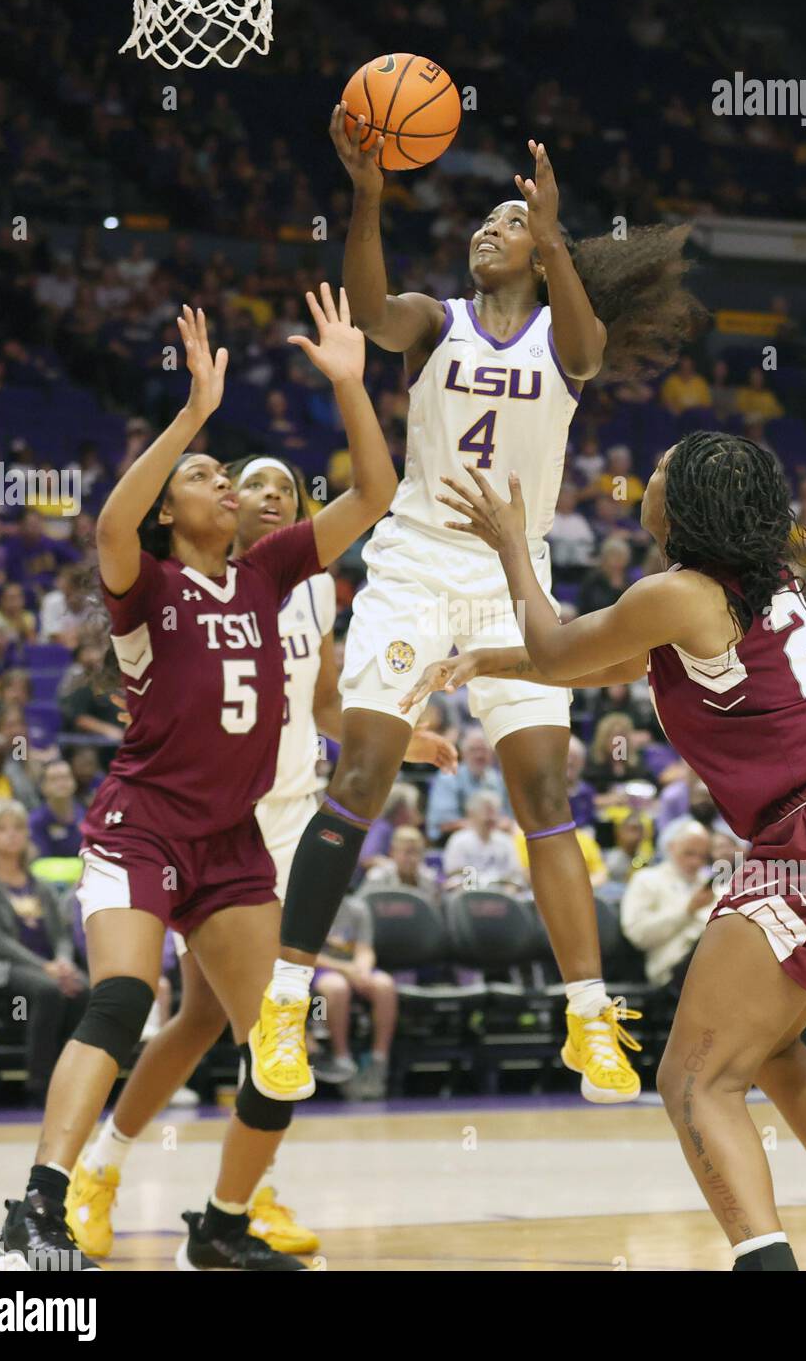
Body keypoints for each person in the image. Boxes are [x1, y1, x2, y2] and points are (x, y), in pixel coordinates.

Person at [247, 109, 702, 1111]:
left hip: (511, 573)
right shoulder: (437, 320)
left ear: (539, 255)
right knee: (363, 769)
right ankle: (283, 1002)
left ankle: (589, 1016)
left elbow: (584, 343)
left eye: (508, 223)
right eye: (484, 222)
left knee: (545, 790)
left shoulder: (561, 335)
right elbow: (370, 311)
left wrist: (551, 235)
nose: (486, 231)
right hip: (414, 562)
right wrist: (368, 196)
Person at [411, 428, 806, 1272]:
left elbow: (562, 646)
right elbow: (602, 662)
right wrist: (487, 661)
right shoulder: (756, 588)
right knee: (762, 1048)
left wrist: (514, 546)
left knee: (692, 1080)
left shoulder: (677, 590)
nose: (643, 475)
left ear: (683, 504)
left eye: (657, 470)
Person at [0, 288, 398, 1273]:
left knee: (277, 1046)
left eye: (219, 471)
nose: (220, 483)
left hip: (232, 847)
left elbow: (375, 495)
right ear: (175, 508)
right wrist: (191, 417)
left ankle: (219, 1223)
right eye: (204, 478)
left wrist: (350, 387)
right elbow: (114, 520)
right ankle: (33, 1212)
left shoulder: (270, 575)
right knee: (123, 1002)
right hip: (142, 828)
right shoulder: (147, 585)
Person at [65, 448, 454, 1261]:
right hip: (207, 820)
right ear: (227, 505)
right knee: (247, 1028)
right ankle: (189, 1195)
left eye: (287, 487)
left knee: (218, 1019)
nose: (272, 496)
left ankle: (210, 1193)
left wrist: (394, 739)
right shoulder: (207, 579)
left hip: (285, 822)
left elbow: (321, 705)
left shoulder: (308, 587)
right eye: (253, 485)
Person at [0, 799, 88, 1103]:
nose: (12, 835)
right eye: (2, 829)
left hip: (45, 968)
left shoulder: (38, 884)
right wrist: (46, 968)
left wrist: (64, 961)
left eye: (17, 828)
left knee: (83, 989)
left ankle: (71, 1079)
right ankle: (39, 1084)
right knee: (48, 990)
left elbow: (62, 935)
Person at [311, 894, 397, 1098]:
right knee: (337, 987)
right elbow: (303, 954)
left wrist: (363, 970)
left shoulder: (357, 907)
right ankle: (342, 1060)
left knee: (385, 985)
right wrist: (345, 969)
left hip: (353, 968)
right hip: (319, 969)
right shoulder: (307, 906)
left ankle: (379, 1061)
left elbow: (365, 949)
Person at [620, 818, 715, 989]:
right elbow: (638, 934)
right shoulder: (646, 880)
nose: (696, 862)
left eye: (702, 856)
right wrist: (687, 911)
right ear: (671, 847)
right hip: (671, 969)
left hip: (712, 960)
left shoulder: (711, 885)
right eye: (689, 853)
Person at [27, 758, 85, 859]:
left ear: (74, 783)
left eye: (65, 778)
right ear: (43, 787)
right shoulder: (35, 822)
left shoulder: (86, 815)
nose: (61, 783)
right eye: (54, 779)